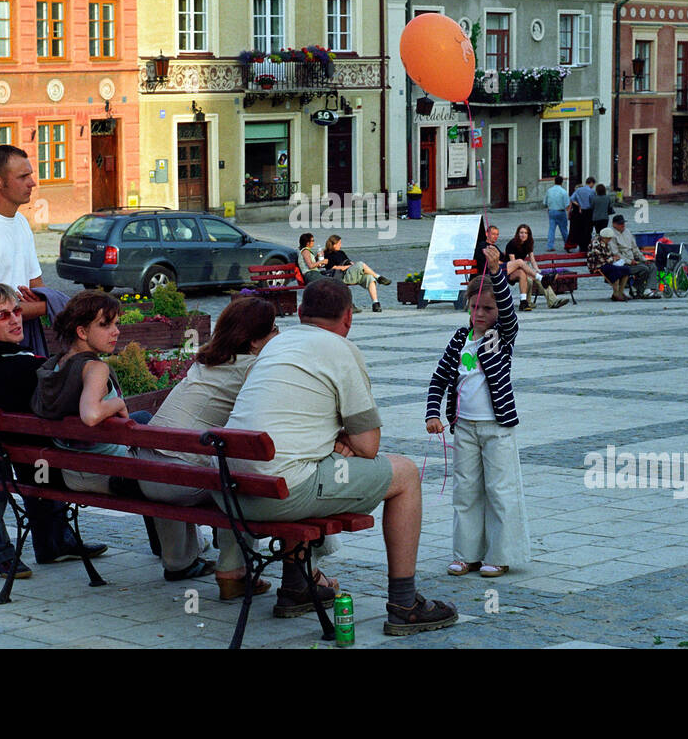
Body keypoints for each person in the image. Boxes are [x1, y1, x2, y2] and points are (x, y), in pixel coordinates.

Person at [220, 278, 458, 635]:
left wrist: (326, 437)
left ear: (300, 313)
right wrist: (338, 437)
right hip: (278, 494)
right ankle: (404, 604)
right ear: (348, 318)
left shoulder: (276, 345)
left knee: (299, 462)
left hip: (232, 492)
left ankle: (298, 585)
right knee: (406, 474)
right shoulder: (341, 350)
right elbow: (368, 447)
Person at [0, 144, 104, 578]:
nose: (33, 182)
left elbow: (33, 287)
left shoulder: (18, 223)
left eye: (32, 174)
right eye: (23, 176)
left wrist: (44, 301)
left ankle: (52, 540)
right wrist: (61, 304)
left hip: (23, 354)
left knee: (39, 447)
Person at [30, 290, 213, 582]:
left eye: (116, 323)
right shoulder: (94, 368)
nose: (116, 331)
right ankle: (181, 561)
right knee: (170, 472)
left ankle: (181, 544)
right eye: (106, 324)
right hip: (106, 473)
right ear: (81, 331)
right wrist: (117, 403)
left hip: (73, 470)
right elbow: (90, 415)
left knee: (148, 430)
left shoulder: (54, 366)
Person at [139, 297, 280, 601]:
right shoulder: (254, 368)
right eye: (274, 330)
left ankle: (179, 562)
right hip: (176, 481)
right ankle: (236, 571)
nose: (278, 336)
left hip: (146, 471)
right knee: (242, 483)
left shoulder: (209, 360)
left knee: (185, 459)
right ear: (255, 341)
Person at [0, 283, 93, 581]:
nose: (15, 319)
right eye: (2, 315)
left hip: (27, 456)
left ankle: (48, 541)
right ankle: (32, 544)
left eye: (17, 311)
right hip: (52, 464)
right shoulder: (23, 365)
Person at [425, 246, 528, 579]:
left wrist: (497, 272)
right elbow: (440, 378)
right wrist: (433, 413)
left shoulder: (502, 338)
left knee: (500, 490)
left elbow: (510, 314)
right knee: (465, 490)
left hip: (497, 427)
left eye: (487, 308)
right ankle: (466, 553)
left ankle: (499, 554)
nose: (480, 314)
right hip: (464, 427)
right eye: (474, 308)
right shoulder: (459, 339)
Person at [321, 234, 388, 312]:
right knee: (360, 264)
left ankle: (376, 303)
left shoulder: (341, 252)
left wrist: (352, 265)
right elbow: (332, 268)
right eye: (339, 243)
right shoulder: (327, 254)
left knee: (369, 277)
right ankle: (378, 277)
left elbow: (349, 261)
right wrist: (348, 267)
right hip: (341, 275)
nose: (341, 245)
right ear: (333, 244)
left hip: (351, 274)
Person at [606, 215, 653, 296]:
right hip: (622, 263)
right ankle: (636, 288)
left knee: (652, 266)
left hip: (633, 260)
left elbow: (635, 248)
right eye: (620, 223)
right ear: (614, 224)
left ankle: (648, 289)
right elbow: (616, 253)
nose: (623, 225)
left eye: (623, 223)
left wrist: (644, 259)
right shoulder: (612, 235)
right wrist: (629, 261)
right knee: (644, 269)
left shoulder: (627, 232)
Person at [587, 227, 631, 301]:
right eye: (609, 238)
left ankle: (620, 292)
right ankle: (616, 293)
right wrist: (613, 259)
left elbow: (608, 256)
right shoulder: (596, 244)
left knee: (626, 269)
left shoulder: (605, 242)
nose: (610, 240)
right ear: (605, 237)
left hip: (606, 263)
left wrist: (614, 259)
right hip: (597, 266)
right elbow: (599, 259)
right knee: (614, 270)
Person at [503, 223, 541, 311]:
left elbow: (532, 259)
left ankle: (552, 301)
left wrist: (536, 269)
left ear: (528, 235)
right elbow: (513, 263)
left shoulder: (528, 243)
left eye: (525, 233)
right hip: (510, 271)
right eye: (521, 232)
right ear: (517, 233)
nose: (523, 235)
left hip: (522, 269)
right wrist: (528, 271)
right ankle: (526, 302)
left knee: (538, 278)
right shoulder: (512, 244)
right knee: (530, 279)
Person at [568, 177, 596, 250]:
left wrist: (579, 204)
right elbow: (592, 202)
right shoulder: (591, 191)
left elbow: (572, 198)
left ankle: (581, 245)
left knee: (581, 229)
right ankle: (586, 245)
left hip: (581, 211)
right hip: (588, 211)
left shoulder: (578, 190)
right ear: (591, 183)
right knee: (588, 230)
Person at [544, 176, 569, 251]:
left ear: (554, 181)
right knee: (564, 230)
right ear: (562, 182)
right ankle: (567, 245)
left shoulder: (549, 190)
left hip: (551, 211)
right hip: (560, 211)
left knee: (551, 229)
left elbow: (545, 202)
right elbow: (566, 204)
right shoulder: (563, 192)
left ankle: (550, 246)